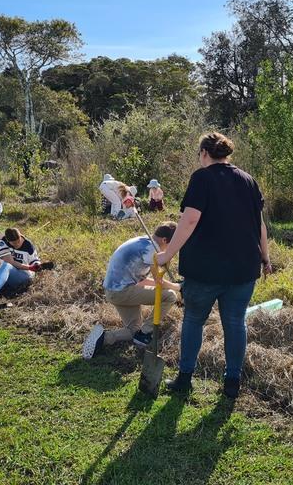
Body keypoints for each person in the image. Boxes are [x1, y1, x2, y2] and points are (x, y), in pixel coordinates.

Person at [155, 132, 271, 399]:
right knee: (235, 322)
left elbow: (189, 220)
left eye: (199, 154)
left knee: (194, 320)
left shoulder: (202, 178)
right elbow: (260, 225)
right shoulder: (248, 180)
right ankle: (232, 382)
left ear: (204, 153)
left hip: (205, 269)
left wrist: (167, 254)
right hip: (244, 268)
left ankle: (185, 378)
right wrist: (265, 258)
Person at [82, 221, 180, 359]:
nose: (170, 250)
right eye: (171, 245)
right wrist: (178, 287)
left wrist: (171, 284)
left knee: (133, 331)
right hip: (122, 292)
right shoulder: (151, 249)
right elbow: (159, 281)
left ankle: (103, 338)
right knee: (170, 296)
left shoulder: (142, 241)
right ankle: (146, 333)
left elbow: (142, 280)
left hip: (113, 291)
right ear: (164, 240)